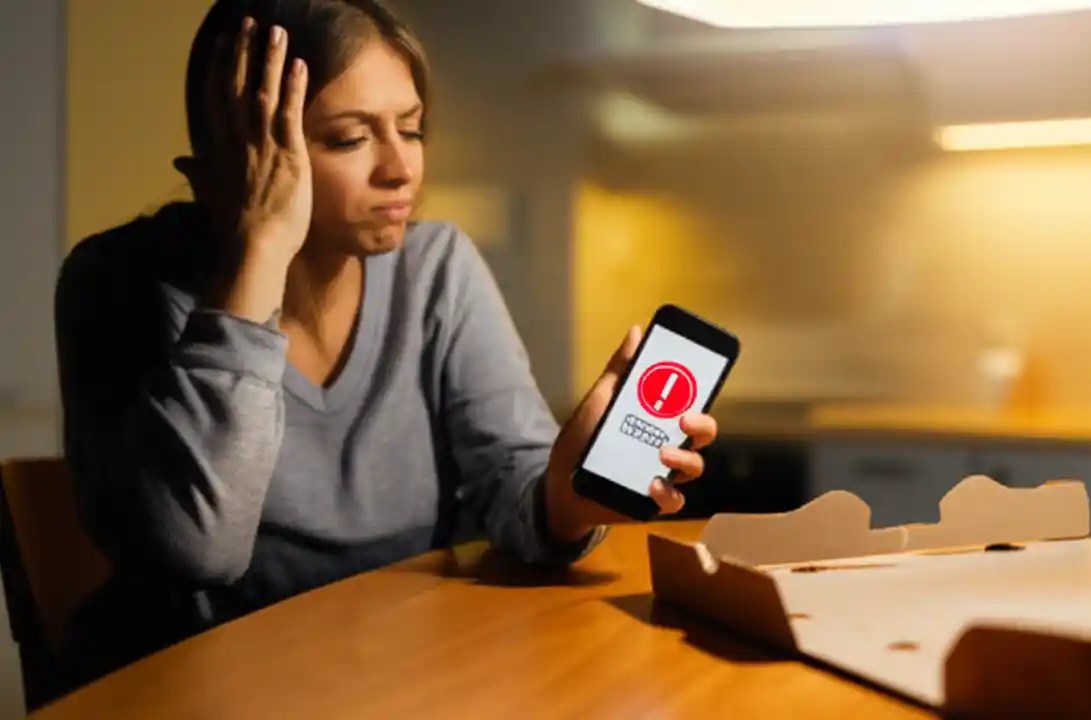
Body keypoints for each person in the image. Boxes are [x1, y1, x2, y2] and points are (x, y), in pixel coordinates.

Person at [54, 0, 718, 692]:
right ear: (239, 154)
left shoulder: (436, 269)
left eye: (412, 128)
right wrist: (259, 250)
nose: (402, 168)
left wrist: (569, 490)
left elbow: (514, 491)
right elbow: (197, 551)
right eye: (348, 139)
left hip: (396, 675)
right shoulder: (117, 282)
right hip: (193, 691)